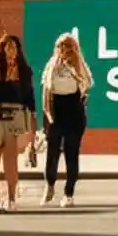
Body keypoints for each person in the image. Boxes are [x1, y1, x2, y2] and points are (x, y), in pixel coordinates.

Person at [0, 34, 38, 214]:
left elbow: (29, 100)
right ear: (1, 49)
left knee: (11, 162)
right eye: (7, 47)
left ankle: (11, 199)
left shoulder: (24, 71)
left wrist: (32, 128)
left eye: (14, 47)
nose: (10, 51)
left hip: (14, 118)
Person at [40, 33, 92, 207]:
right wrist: (47, 114)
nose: (65, 50)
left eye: (69, 46)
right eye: (62, 46)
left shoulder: (79, 65)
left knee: (72, 151)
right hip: (56, 108)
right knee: (53, 151)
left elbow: (86, 85)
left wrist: (75, 64)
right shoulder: (52, 65)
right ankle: (50, 184)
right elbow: (46, 90)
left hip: (73, 109)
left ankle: (69, 193)